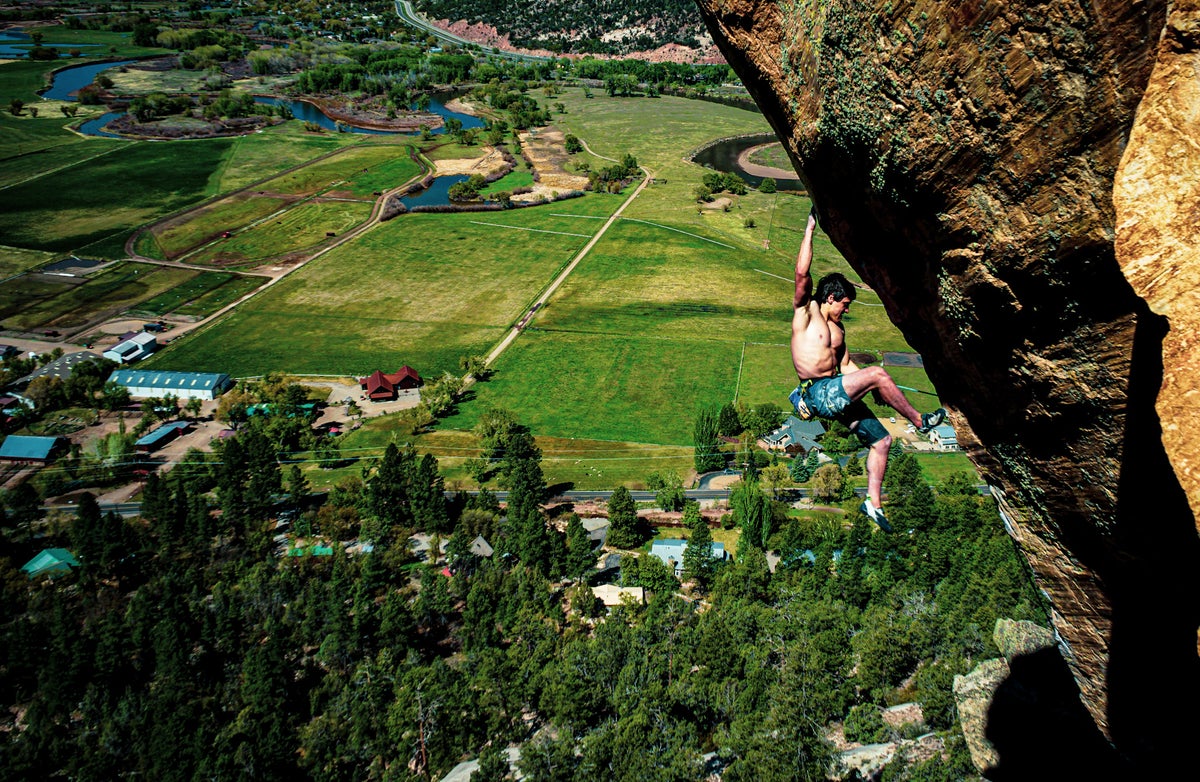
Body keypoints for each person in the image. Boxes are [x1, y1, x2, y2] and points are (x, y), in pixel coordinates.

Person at [789, 208, 945, 531]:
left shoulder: (839, 331)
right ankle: (919, 421)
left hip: (834, 392)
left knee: (882, 441)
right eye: (845, 304)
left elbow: (846, 366)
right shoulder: (808, 312)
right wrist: (810, 227)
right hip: (816, 393)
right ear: (832, 297)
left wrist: (875, 390)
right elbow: (802, 273)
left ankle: (873, 503)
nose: (847, 310)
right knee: (877, 374)